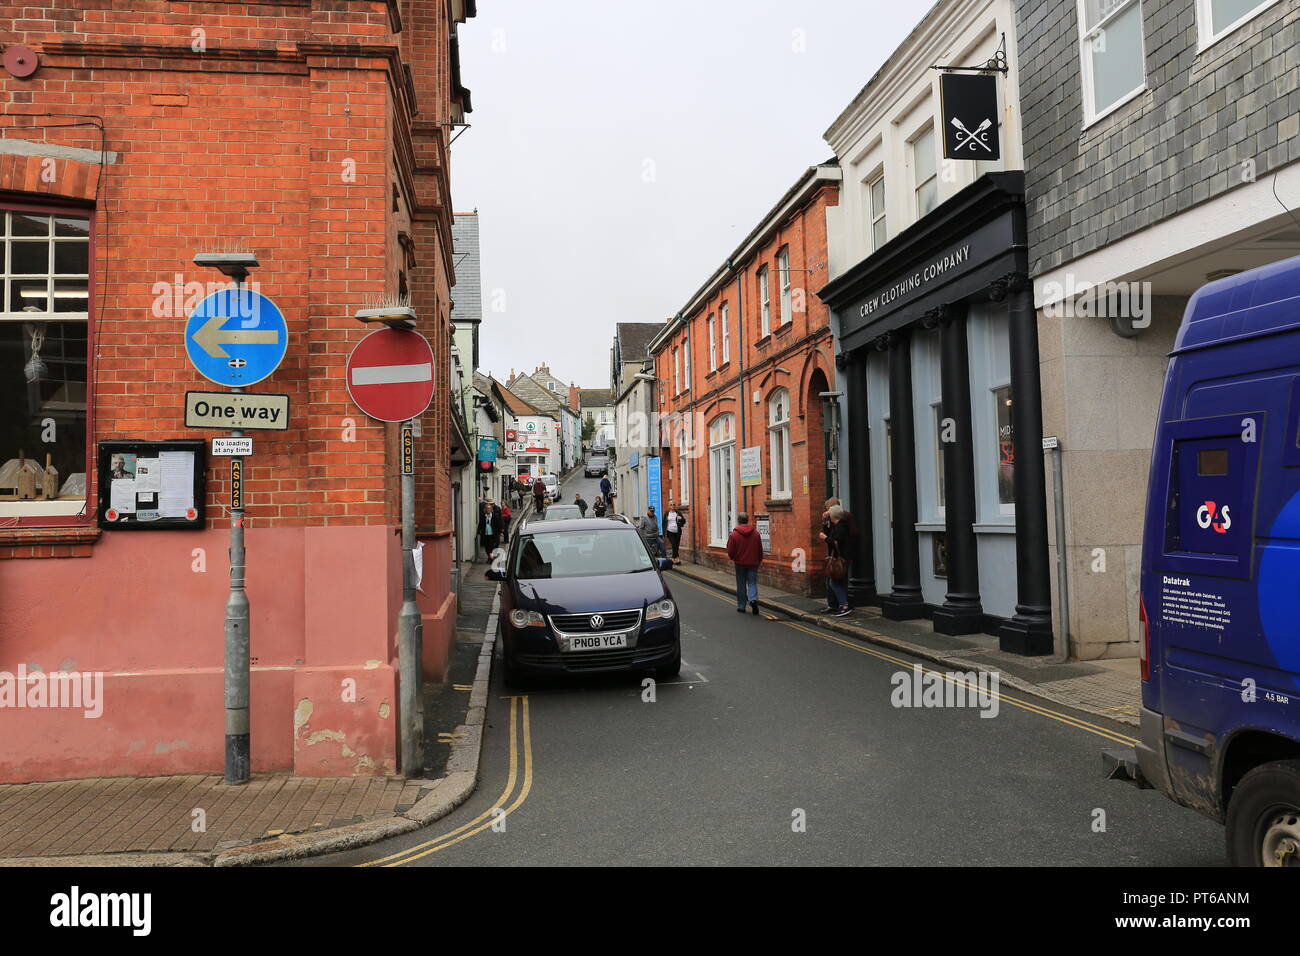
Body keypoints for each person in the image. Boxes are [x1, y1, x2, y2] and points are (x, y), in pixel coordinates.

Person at [818, 497, 855, 613]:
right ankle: (835, 605)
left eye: (828, 509)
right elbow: (829, 534)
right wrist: (825, 523)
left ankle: (843, 605)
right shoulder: (835, 524)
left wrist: (825, 538)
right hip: (834, 556)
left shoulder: (842, 524)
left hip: (841, 557)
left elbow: (835, 540)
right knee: (831, 582)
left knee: (836, 582)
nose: (826, 511)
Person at [726, 511, 763, 615]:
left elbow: (730, 551)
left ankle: (741, 606)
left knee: (741, 584)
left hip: (740, 563)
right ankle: (753, 599)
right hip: (753, 563)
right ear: (747, 520)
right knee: (752, 583)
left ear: (738, 520)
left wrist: (733, 557)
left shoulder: (734, 535)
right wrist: (759, 559)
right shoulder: (756, 534)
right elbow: (760, 549)